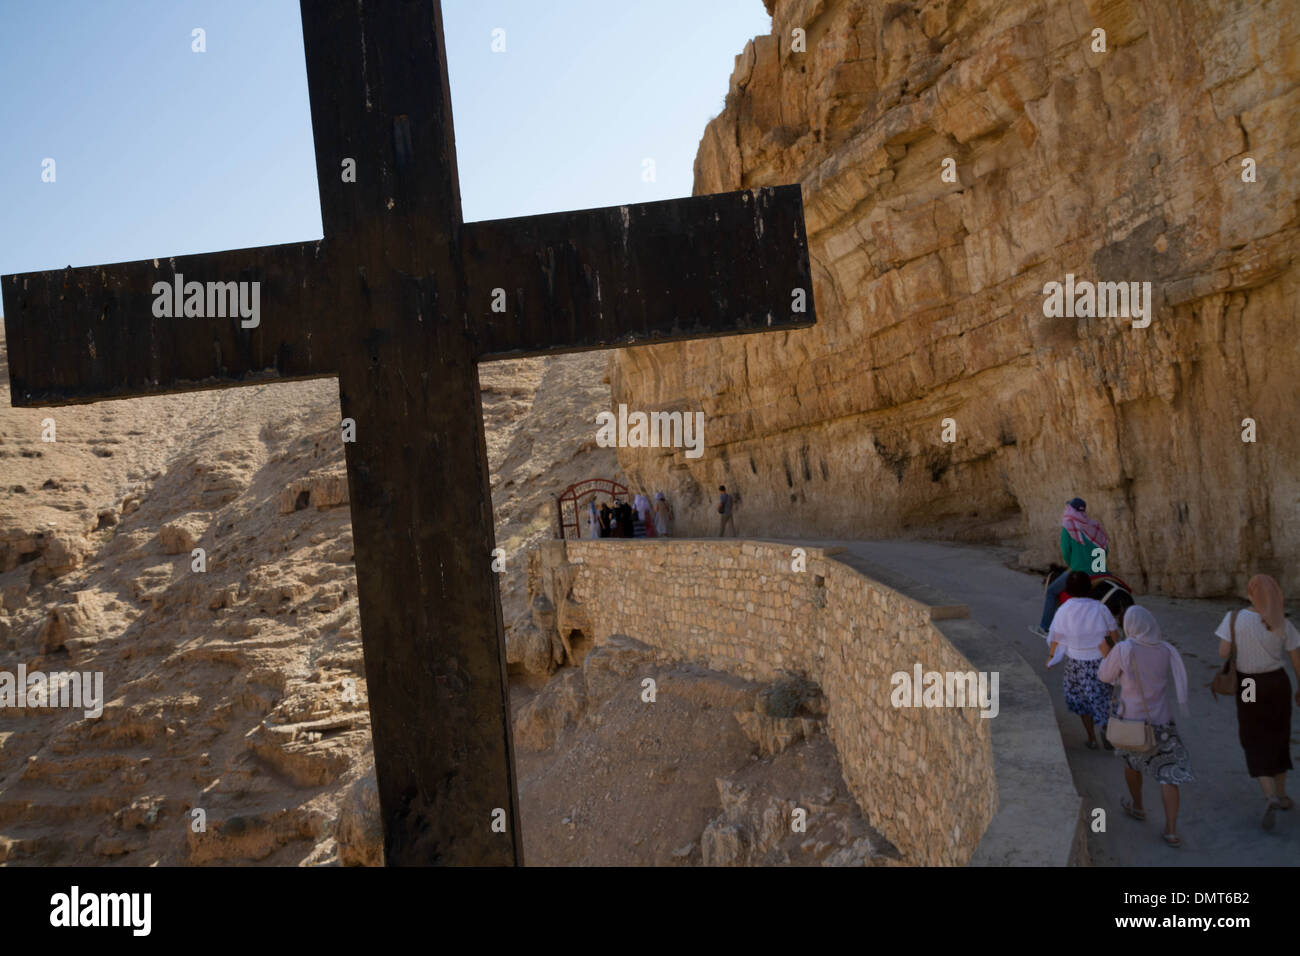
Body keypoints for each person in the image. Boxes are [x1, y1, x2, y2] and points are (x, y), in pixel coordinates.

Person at [1098, 605, 1193, 848]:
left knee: (1132, 765)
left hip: (1131, 722)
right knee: (1168, 775)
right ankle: (1172, 831)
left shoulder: (1124, 648)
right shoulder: (1165, 649)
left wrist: (1106, 654)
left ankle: (1138, 806)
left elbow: (1105, 677)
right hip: (1161, 722)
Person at [1215, 574, 1300, 830]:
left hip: (1250, 684)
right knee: (1279, 734)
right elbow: (1297, 661)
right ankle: (1283, 795)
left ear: (1251, 594)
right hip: (1278, 682)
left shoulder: (1235, 618)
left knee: (1254, 734)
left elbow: (1222, 652)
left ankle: (1270, 795)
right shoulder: (1283, 623)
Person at [1047, 571, 1118, 749]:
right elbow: (1114, 635)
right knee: (1103, 698)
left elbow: (1056, 637)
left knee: (1081, 702)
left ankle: (1091, 737)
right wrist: (1105, 647)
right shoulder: (1101, 608)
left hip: (1075, 664)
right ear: (1089, 588)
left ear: (1068, 589)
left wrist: (1051, 657)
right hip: (1100, 662)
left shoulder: (1063, 610)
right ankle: (1108, 732)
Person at [1033, 497, 1110, 638]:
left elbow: (1066, 551)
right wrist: (1098, 564)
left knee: (1051, 592)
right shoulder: (1095, 525)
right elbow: (1105, 549)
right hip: (1101, 570)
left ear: (1071, 510)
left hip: (1080, 570)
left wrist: (1073, 564)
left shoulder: (1069, 525)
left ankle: (1045, 627)